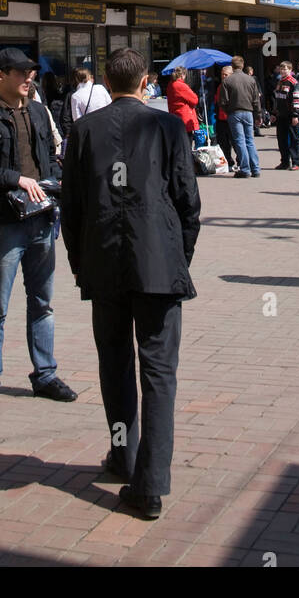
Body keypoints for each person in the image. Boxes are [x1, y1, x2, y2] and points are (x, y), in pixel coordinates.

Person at [60, 47, 200, 520]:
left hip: (106, 264)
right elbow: (187, 200)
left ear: (106, 80)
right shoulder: (167, 127)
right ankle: (150, 480)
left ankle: (125, 455)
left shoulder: (84, 130)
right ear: (146, 82)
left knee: (115, 364)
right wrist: (180, 256)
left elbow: (71, 209)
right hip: (157, 263)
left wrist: (81, 265)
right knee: (158, 372)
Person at [0, 48, 76, 418]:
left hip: (41, 219)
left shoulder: (39, 111)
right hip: (6, 223)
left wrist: (55, 184)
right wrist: (16, 179)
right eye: (22, 72)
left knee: (43, 303)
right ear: (0, 75)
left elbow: (50, 158)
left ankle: (44, 375)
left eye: (32, 73)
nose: (30, 78)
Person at [219, 56, 262, 179]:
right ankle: (256, 168)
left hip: (234, 112)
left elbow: (223, 101)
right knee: (249, 140)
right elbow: (256, 99)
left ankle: (245, 169)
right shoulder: (250, 80)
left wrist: (228, 111)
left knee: (240, 140)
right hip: (248, 112)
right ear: (242, 66)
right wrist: (258, 114)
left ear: (232, 66)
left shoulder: (227, 81)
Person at [273, 62, 299, 170]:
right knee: (281, 139)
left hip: (290, 115)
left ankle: (296, 162)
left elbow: (296, 99)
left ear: (290, 70)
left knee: (294, 139)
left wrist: (295, 114)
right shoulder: (279, 82)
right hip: (281, 115)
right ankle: (284, 162)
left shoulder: (293, 82)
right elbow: (277, 99)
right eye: (281, 69)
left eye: (285, 69)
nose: (283, 71)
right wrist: (274, 113)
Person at [166, 67, 200, 142]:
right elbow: (195, 100)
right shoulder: (181, 85)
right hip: (184, 117)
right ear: (182, 75)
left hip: (175, 115)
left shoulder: (170, 84)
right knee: (187, 143)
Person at [214, 65, 237, 173]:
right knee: (224, 143)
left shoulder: (233, 86)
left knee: (236, 142)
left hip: (231, 117)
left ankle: (241, 162)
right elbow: (217, 101)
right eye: (222, 74)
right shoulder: (220, 86)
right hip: (221, 118)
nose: (223, 76)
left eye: (226, 74)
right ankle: (229, 162)